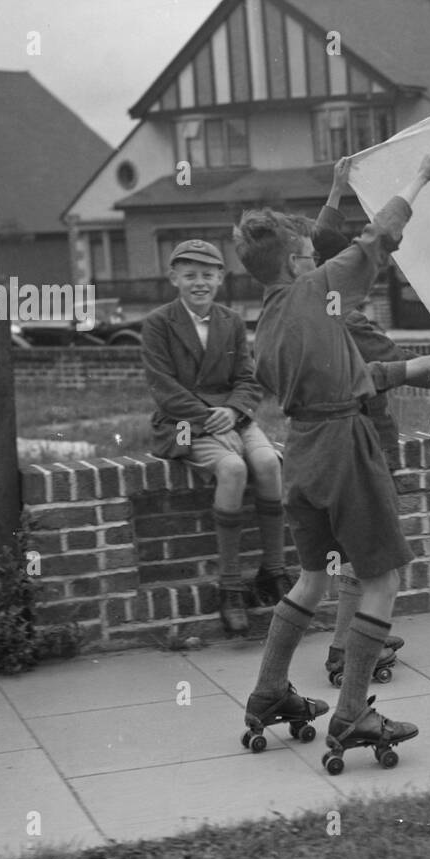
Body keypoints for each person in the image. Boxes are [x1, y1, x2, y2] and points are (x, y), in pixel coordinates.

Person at [233, 152, 430, 772]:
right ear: (296, 261)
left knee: (312, 579)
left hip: (301, 454)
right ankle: (353, 711)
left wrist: (410, 370)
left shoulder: (270, 322)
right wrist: (421, 176)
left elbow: (340, 378)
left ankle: (269, 692)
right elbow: (378, 236)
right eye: (306, 249)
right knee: (381, 577)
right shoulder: (321, 289)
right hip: (345, 452)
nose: (315, 253)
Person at [141, 239, 294, 634]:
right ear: (173, 278)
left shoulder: (230, 321)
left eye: (208, 275)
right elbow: (164, 388)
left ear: (221, 279)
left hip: (233, 416)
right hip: (184, 421)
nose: (199, 283)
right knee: (231, 469)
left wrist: (233, 411)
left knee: (266, 463)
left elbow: (247, 377)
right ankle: (229, 586)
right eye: (189, 275)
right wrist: (210, 419)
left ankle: (272, 570)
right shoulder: (159, 323)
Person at [311, 156, 413, 687]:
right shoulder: (352, 324)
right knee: (373, 549)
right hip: (368, 439)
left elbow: (324, 243)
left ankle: (355, 634)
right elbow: (394, 365)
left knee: (361, 548)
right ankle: (346, 648)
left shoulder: (308, 299)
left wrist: (336, 189)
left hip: (331, 443)